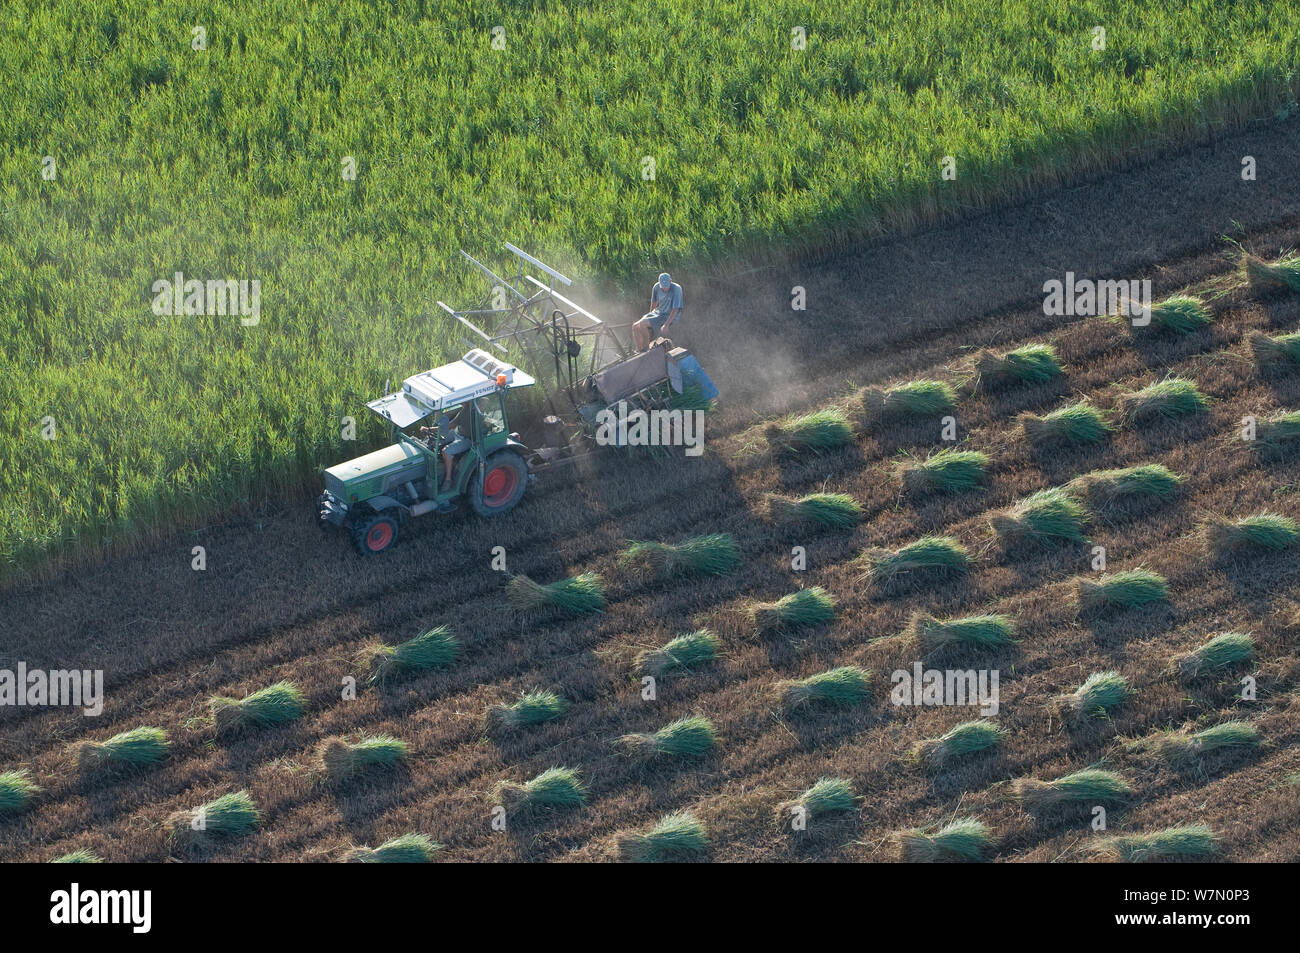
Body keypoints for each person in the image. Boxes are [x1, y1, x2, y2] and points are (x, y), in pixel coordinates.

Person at [418, 408, 469, 493]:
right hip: (457, 432)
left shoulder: (467, 411)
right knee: (434, 441)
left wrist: (428, 429)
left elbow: (449, 426)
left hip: (468, 439)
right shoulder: (463, 410)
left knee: (446, 451)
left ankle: (448, 479)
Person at [633, 272, 682, 351]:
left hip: (669, 314)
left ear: (671, 281)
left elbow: (675, 309)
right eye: (663, 287)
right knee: (635, 326)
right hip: (658, 313)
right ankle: (639, 350)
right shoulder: (656, 287)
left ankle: (646, 349)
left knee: (642, 325)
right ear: (659, 283)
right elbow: (654, 303)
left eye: (666, 287)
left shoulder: (677, 288)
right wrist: (649, 317)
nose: (665, 289)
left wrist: (666, 325)